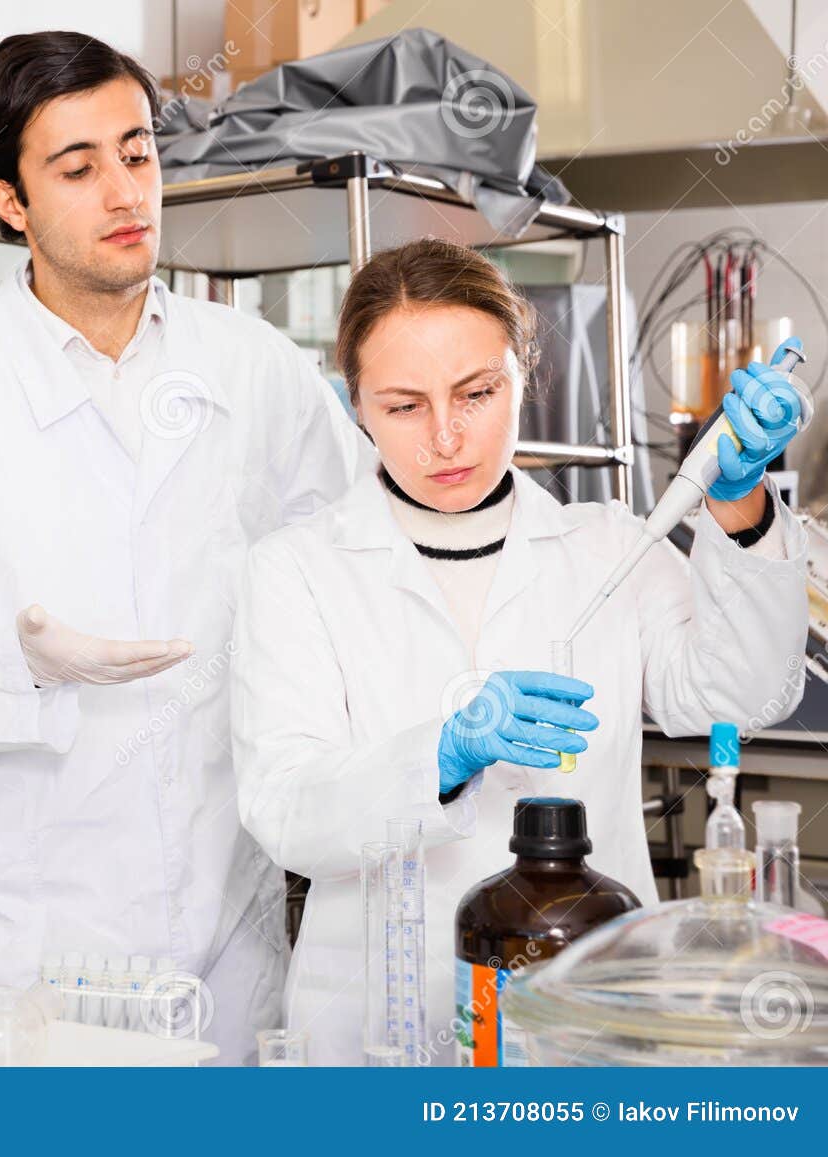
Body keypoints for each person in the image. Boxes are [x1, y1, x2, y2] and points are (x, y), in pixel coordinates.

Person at [0, 31, 374, 1064]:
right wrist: (12, 665)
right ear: (9, 202)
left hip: (219, 933)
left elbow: (358, 570)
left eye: (137, 152)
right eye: (77, 168)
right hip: (9, 946)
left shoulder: (253, 367)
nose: (125, 192)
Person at [231, 238, 809, 1065]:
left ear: (523, 375)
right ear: (353, 404)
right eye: (403, 405)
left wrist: (743, 502)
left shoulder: (608, 543)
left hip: (584, 1006)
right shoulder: (296, 570)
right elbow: (283, 806)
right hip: (377, 1025)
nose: (445, 435)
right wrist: (440, 753)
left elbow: (741, 695)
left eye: (477, 392)